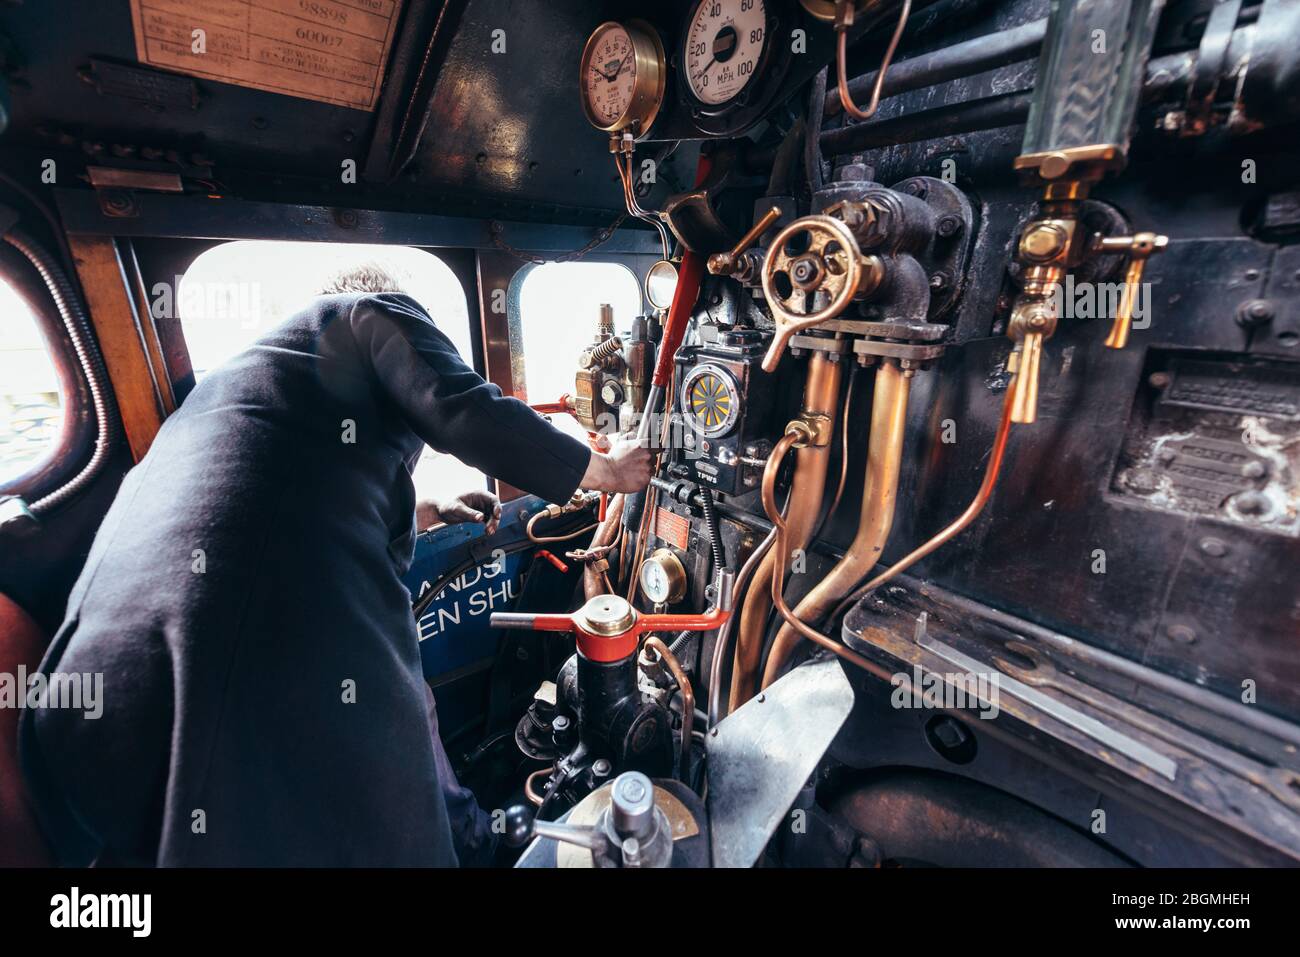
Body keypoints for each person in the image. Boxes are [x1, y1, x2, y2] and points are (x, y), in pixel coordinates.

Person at [20, 263, 651, 866]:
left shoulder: (239, 380)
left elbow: (275, 482)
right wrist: (606, 470)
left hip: (100, 683)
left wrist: (423, 506)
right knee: (396, 798)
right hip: (267, 625)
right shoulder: (361, 312)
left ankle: (469, 838)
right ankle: (472, 848)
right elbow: (463, 405)